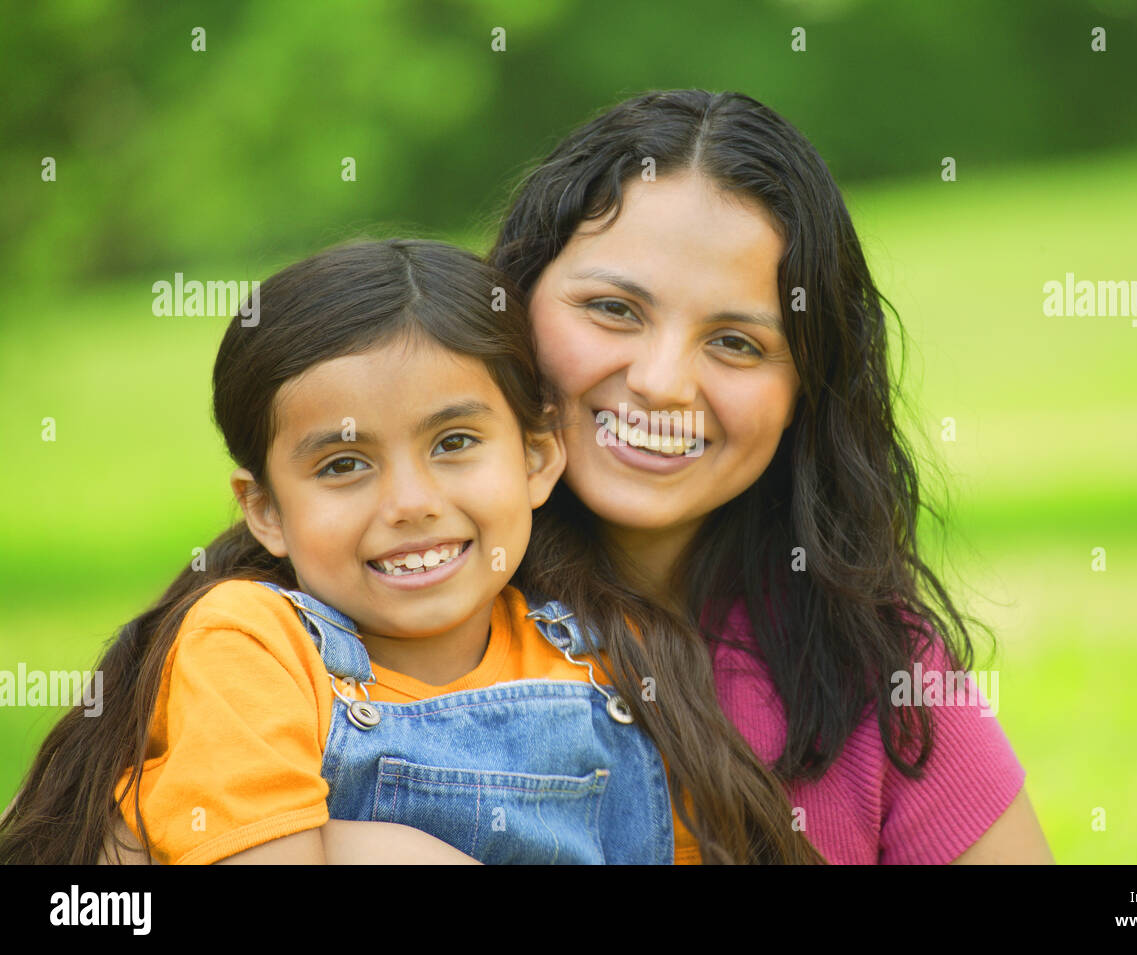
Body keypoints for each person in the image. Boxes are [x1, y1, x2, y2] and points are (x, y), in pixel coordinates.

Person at [489, 88, 1054, 863]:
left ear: (805, 393)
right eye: (614, 309)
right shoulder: (391, 605)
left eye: (736, 343)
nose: (661, 381)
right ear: (514, 304)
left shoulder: (869, 656)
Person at [0, 239, 688, 865]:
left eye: (453, 443)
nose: (410, 502)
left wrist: (345, 844)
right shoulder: (251, 645)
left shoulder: (613, 657)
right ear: (267, 510)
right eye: (343, 464)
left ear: (537, 457)